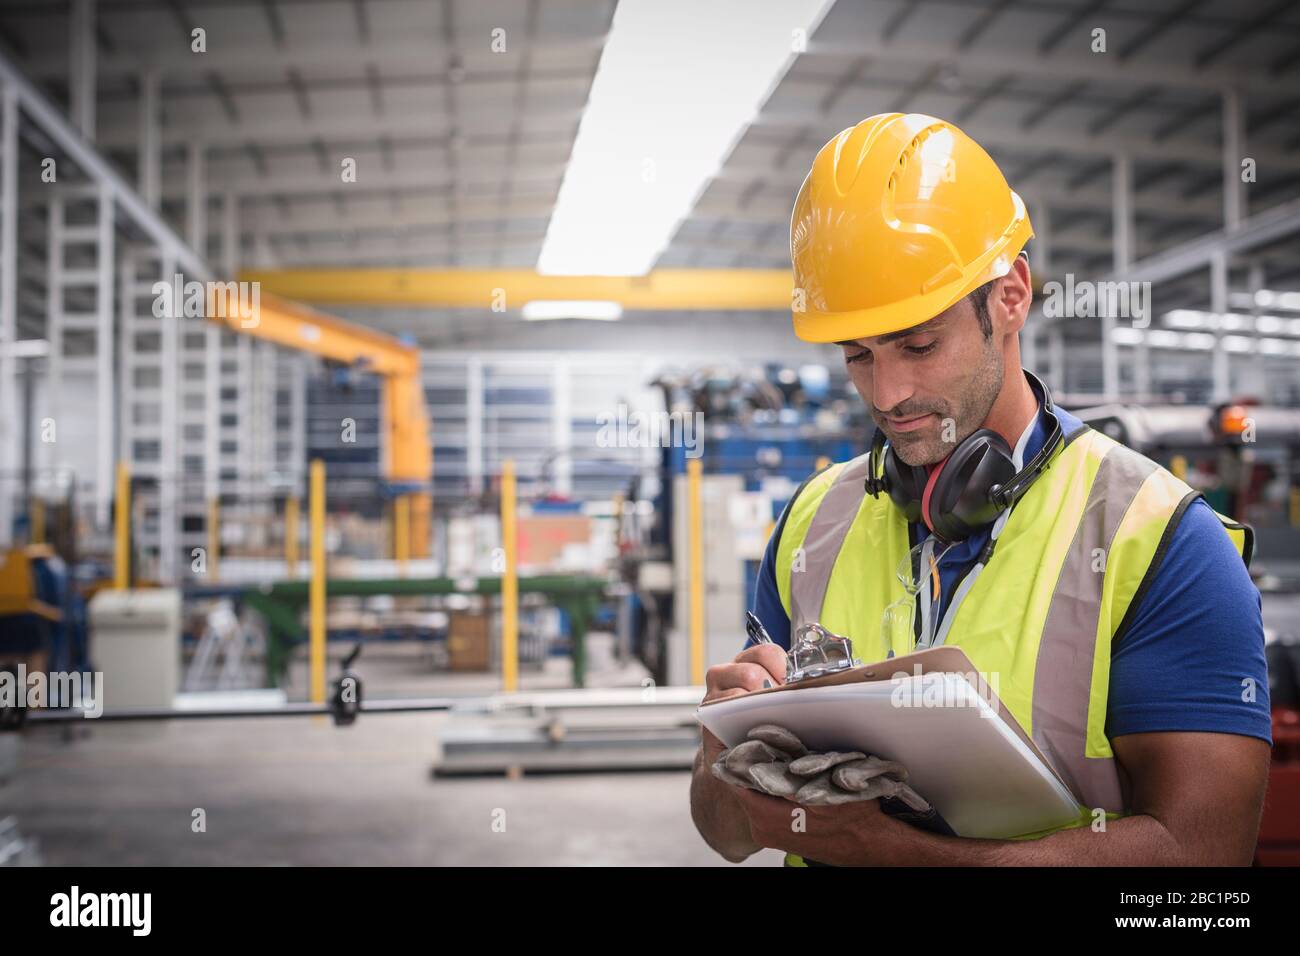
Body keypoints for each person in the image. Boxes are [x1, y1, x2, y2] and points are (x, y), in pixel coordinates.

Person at [689, 113, 1272, 866]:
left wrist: (886, 849)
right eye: (857, 355)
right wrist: (720, 756)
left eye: (919, 344)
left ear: (1010, 296)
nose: (888, 391)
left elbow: (1201, 859)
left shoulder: (1157, 541)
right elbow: (722, 832)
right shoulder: (809, 526)